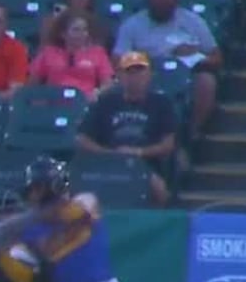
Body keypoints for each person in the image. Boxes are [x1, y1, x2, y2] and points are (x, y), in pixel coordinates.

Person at [114, 0, 222, 145]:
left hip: (185, 80)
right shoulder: (133, 24)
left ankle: (191, 133)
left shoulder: (193, 21)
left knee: (206, 82)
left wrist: (196, 55)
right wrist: (144, 62)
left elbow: (217, 58)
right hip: (146, 78)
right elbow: (117, 60)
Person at [75, 51, 179, 204]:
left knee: (159, 189)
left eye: (140, 71)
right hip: (107, 164)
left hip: (145, 164)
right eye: (129, 72)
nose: (135, 77)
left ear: (149, 74)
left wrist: (138, 152)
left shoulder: (161, 103)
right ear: (120, 76)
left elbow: (168, 144)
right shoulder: (106, 101)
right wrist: (110, 154)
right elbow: (82, 139)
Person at [29, 13, 115, 97]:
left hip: (86, 101)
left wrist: (97, 93)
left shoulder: (97, 53)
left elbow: (107, 83)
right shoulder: (48, 53)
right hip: (54, 102)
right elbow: (33, 83)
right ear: (63, 34)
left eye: (84, 30)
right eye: (76, 30)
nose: (82, 34)